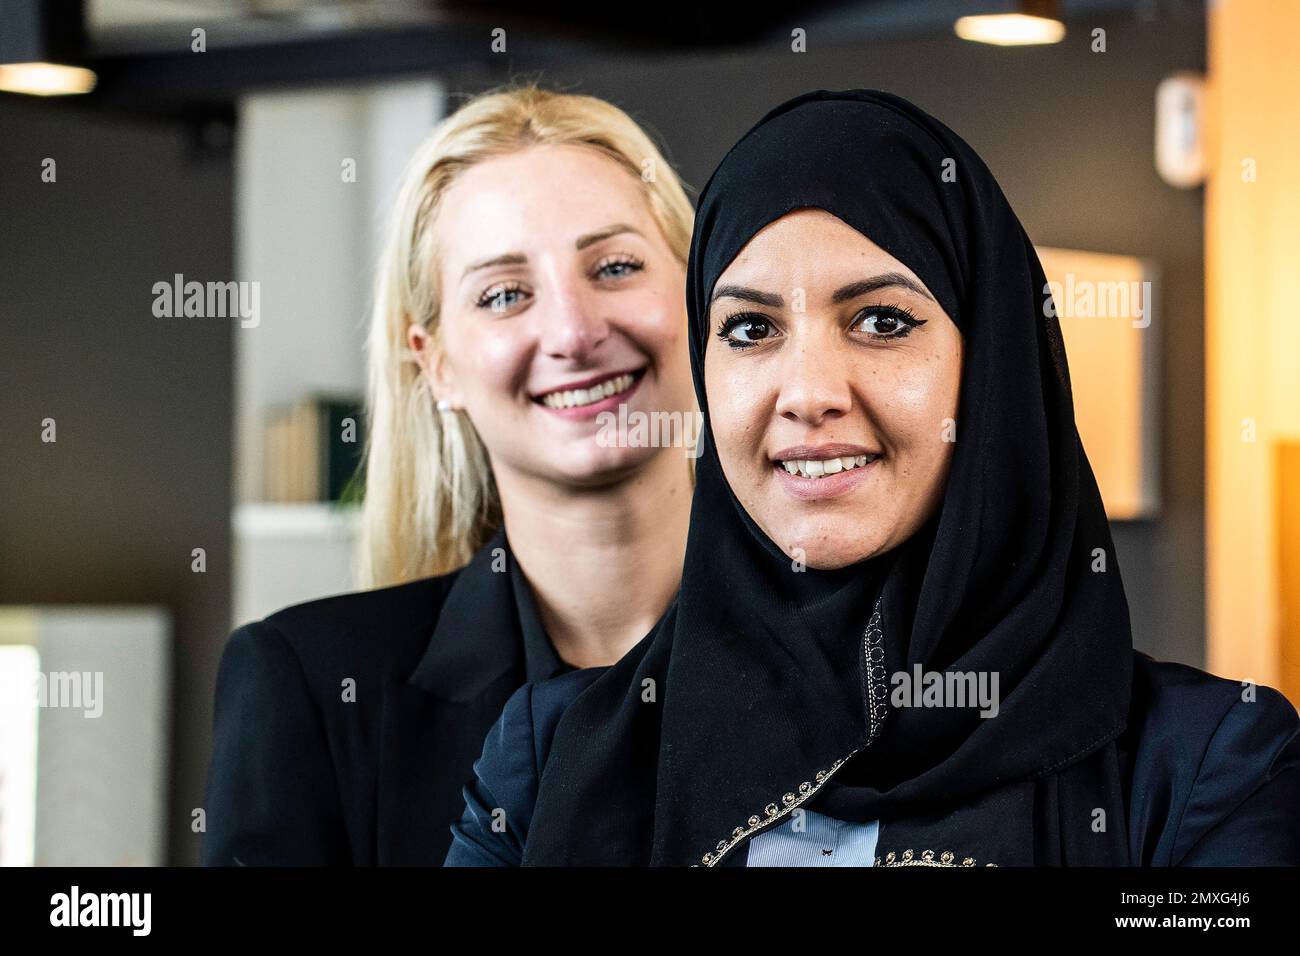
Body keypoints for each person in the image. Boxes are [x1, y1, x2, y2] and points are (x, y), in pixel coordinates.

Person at [444, 89, 1300, 867]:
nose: (809, 393)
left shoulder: (1208, 768)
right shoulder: (545, 761)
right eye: (748, 329)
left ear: (993, 368)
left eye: (882, 320)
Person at [201, 85, 697, 865]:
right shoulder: (310, 686)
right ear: (438, 366)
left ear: (698, 294)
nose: (571, 330)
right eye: (504, 295)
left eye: (615, 267)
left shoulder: (864, 648)